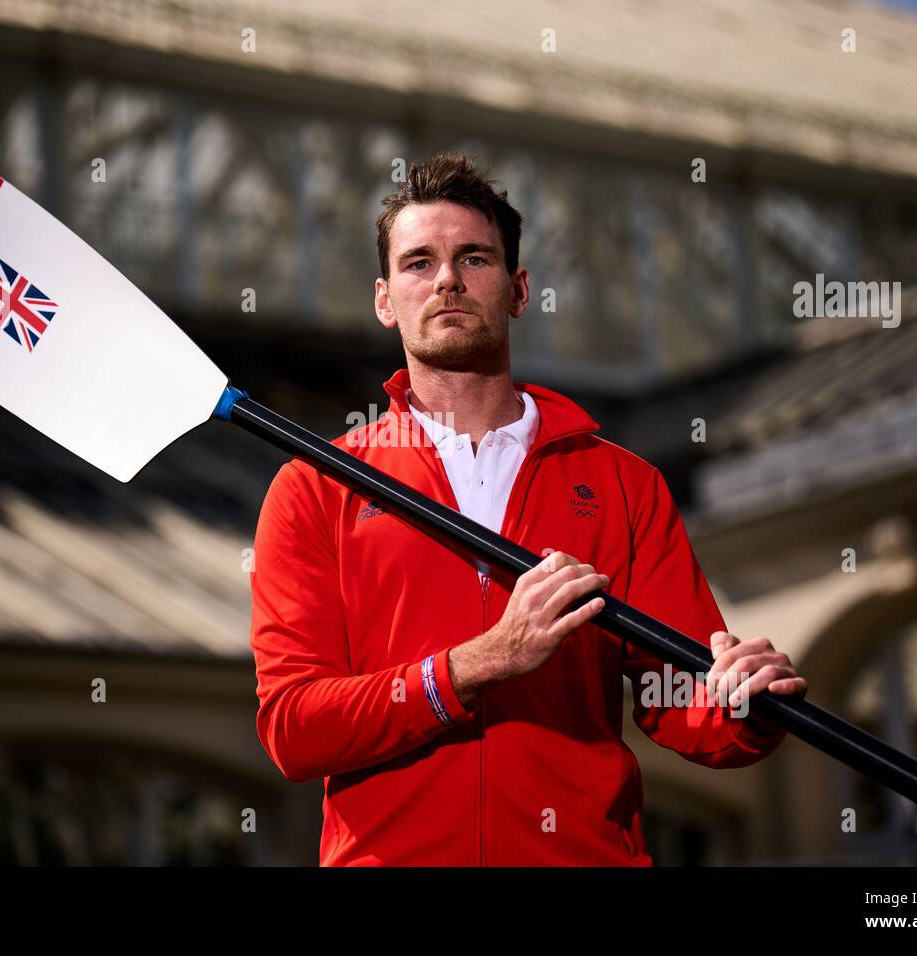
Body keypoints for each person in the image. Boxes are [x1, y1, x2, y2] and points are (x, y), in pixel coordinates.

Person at [248, 152, 807, 866]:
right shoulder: (316, 487)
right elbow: (296, 730)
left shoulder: (621, 482)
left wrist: (740, 706)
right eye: (419, 263)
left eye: (472, 258)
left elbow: (675, 700)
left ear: (518, 290)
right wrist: (478, 664)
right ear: (386, 300)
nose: (447, 278)